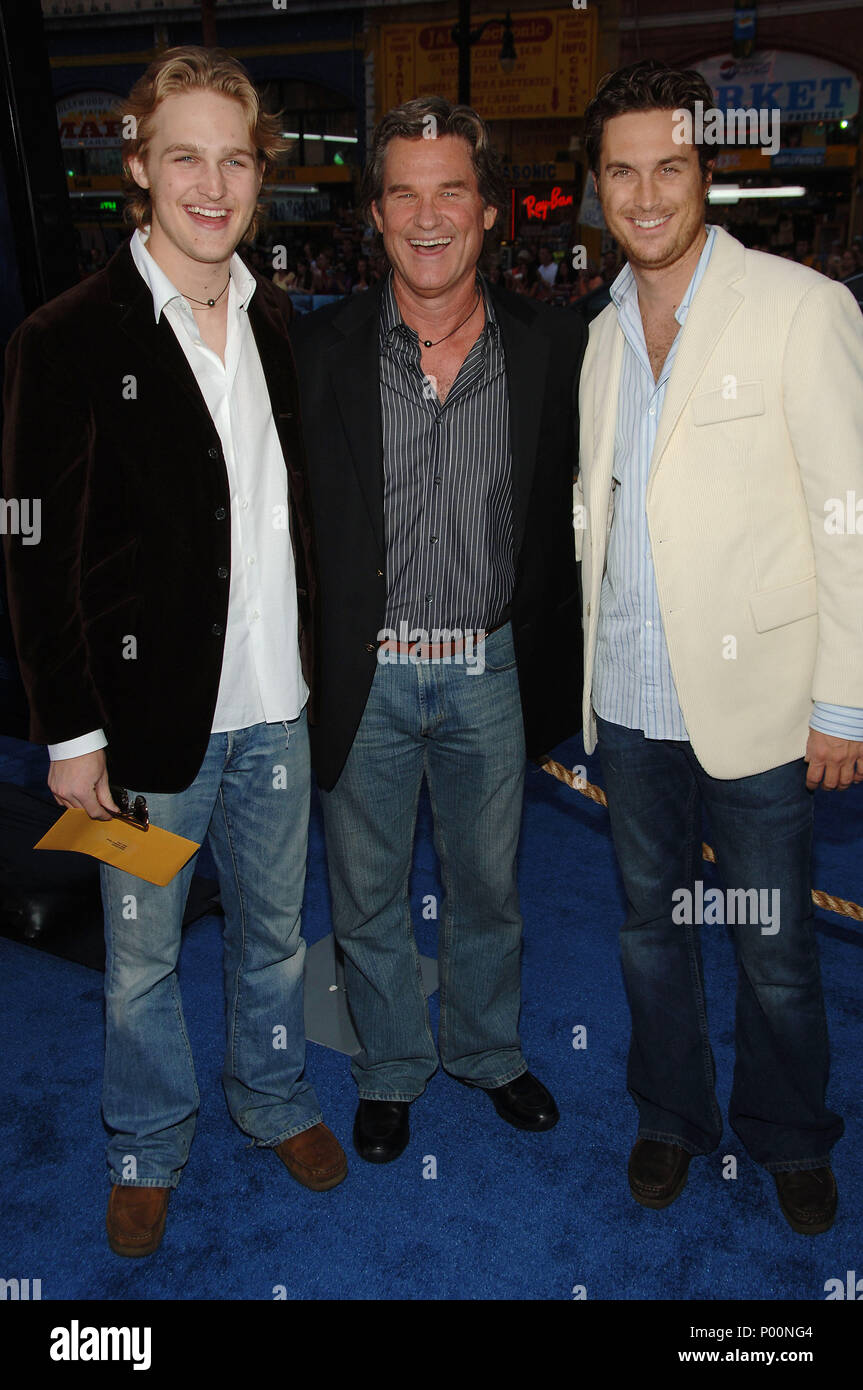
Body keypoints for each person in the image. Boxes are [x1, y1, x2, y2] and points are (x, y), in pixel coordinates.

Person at [2, 46, 347, 1259]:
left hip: (278, 712)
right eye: (184, 157)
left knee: (270, 933)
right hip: (144, 733)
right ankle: (144, 1145)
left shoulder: (275, 313)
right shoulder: (66, 336)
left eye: (235, 158)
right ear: (137, 167)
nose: (213, 184)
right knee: (139, 960)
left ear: (260, 174)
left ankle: (274, 1099)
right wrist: (71, 733)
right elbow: (33, 548)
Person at [576, 58, 863, 1235]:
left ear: (708, 171)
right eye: (621, 170)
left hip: (757, 704)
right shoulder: (596, 329)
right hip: (630, 701)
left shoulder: (800, 309)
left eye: (670, 167)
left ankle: (790, 1134)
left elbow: (848, 515)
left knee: (773, 944)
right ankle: (668, 1117)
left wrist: (843, 704)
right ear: (595, 184)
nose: (645, 194)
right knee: (649, 935)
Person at [290, 96, 585, 1164]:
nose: (427, 215)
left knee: (488, 884)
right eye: (403, 192)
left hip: (489, 665)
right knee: (364, 889)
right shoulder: (314, 351)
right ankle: (389, 1068)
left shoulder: (555, 346)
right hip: (363, 669)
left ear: (489, 210)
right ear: (374, 214)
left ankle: (487, 1052)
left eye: (448, 189)